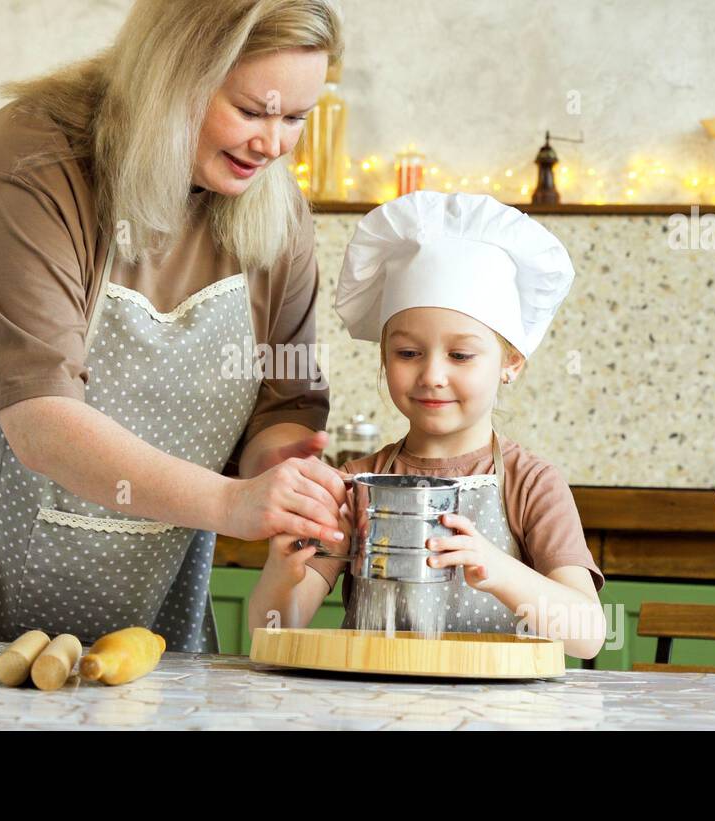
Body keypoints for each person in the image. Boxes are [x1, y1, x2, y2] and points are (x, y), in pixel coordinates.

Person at [0, 0, 349, 649]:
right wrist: (231, 503)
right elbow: (40, 420)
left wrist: (286, 482)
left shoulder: (274, 209)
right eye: (250, 110)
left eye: (295, 117)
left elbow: (283, 403)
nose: (272, 143)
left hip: (138, 580)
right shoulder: (24, 165)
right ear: (171, 75)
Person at [249, 191, 607, 659]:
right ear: (383, 357)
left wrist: (498, 570)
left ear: (511, 362)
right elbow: (273, 629)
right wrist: (281, 568)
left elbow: (587, 634)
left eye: (460, 355)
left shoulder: (531, 484)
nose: (432, 375)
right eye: (408, 353)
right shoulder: (356, 484)